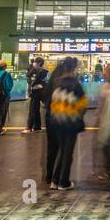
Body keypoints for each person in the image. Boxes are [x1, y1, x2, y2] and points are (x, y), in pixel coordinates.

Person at [48, 56, 88, 190]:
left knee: (62, 150)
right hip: (70, 121)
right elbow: (82, 105)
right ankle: (64, 182)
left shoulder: (56, 82)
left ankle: (55, 180)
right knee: (68, 152)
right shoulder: (75, 84)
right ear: (73, 68)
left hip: (57, 120)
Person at [42, 58, 69, 186]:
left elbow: (44, 99)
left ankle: (49, 175)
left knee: (52, 147)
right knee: (64, 148)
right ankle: (58, 178)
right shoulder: (65, 83)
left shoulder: (52, 81)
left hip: (50, 116)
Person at [26, 56, 49, 132]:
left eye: (36, 62)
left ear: (39, 63)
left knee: (33, 109)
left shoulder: (37, 71)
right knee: (35, 109)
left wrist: (30, 89)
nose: (34, 63)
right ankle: (37, 127)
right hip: (42, 92)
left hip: (37, 93)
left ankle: (29, 127)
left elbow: (30, 80)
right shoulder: (44, 71)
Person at [0, 60, 14, 135]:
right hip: (4, 95)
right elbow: (9, 86)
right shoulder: (6, 74)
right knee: (3, 111)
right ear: (4, 66)